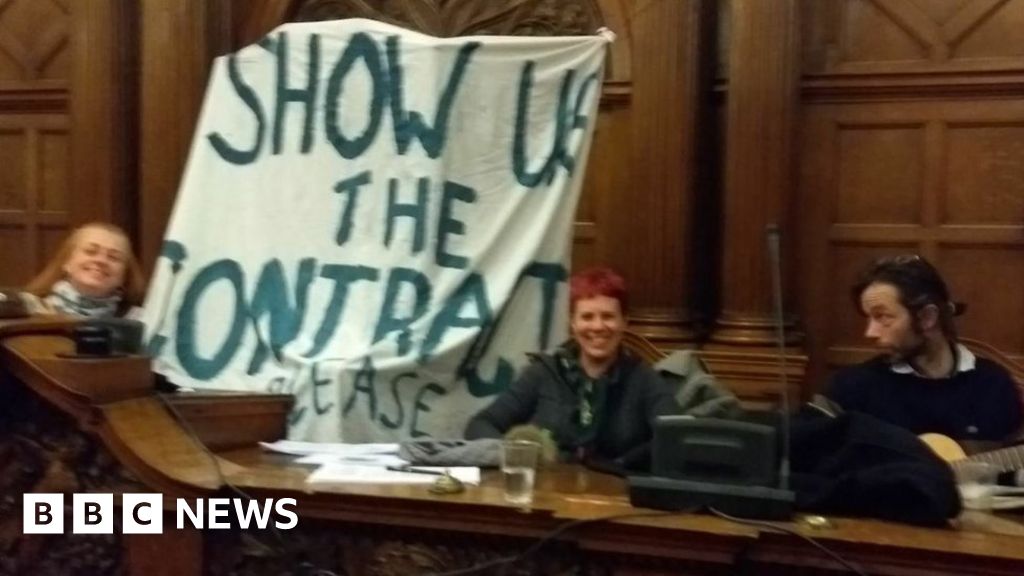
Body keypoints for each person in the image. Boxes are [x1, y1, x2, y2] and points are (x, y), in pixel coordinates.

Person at [464, 267, 686, 472]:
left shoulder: (644, 379)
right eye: (587, 317)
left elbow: (677, 439)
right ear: (573, 323)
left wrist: (625, 463)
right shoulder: (543, 372)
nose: (598, 326)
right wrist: (518, 455)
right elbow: (480, 425)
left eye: (608, 316)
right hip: (546, 493)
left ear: (624, 322)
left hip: (617, 494)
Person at [826, 255, 1022, 443]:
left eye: (882, 316)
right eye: (869, 318)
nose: (870, 332)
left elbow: (1012, 460)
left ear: (927, 317)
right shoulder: (852, 387)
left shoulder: (994, 385)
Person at [23, 222, 146, 318]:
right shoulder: (30, 310)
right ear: (67, 262)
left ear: (124, 275)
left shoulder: (141, 321)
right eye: (90, 251)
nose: (101, 260)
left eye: (113, 257)